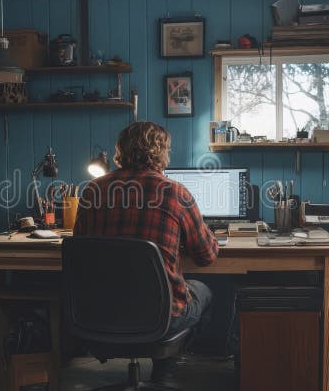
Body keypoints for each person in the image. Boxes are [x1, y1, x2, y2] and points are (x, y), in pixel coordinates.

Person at [73, 121, 219, 386]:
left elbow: (80, 244)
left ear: (121, 151)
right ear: (161, 152)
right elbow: (206, 255)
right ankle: (166, 370)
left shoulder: (93, 190)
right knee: (204, 292)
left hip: (100, 313)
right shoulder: (175, 193)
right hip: (161, 317)